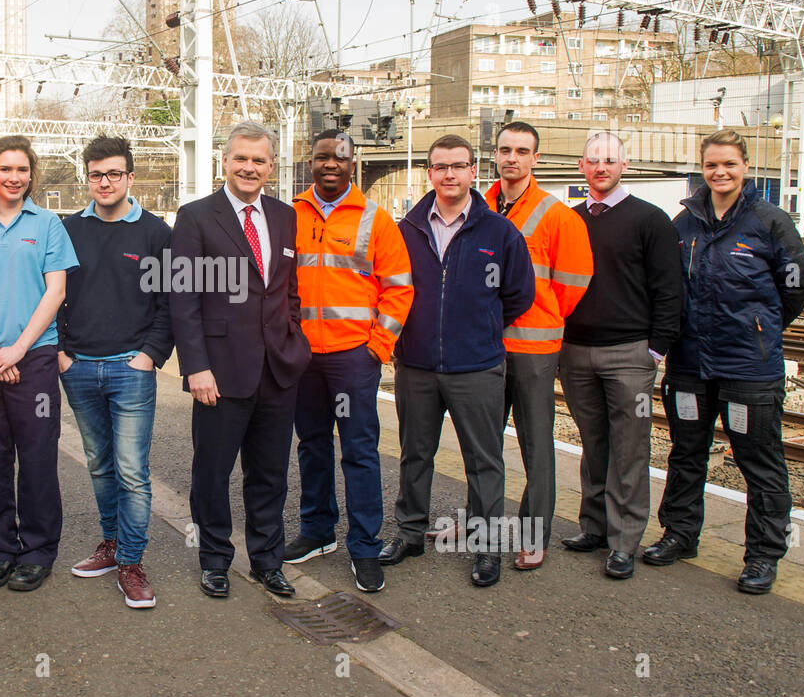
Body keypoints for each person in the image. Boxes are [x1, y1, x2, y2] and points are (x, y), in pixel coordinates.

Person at [647, 129, 804, 594]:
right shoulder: (684, 225)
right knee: (686, 454)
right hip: (690, 365)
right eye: (712, 165)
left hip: (749, 370)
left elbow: (797, 285)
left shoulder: (769, 222)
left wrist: (763, 327)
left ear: (744, 166)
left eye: (729, 164)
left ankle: (762, 554)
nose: (720, 173)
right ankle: (679, 533)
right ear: (703, 169)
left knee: (759, 462)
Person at [383, 133, 534, 587]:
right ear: (429, 173)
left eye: (458, 166)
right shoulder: (406, 229)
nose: (449, 174)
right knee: (415, 454)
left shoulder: (499, 232)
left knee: (483, 460)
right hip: (418, 365)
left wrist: (477, 329)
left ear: (474, 171)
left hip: (478, 367)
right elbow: (388, 289)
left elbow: (518, 294)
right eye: (440, 166)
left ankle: (487, 548)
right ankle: (410, 532)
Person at [171, 120, 312, 599]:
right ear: (224, 161)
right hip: (220, 372)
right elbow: (184, 298)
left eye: (259, 160)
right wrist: (196, 367)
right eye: (241, 158)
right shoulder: (195, 217)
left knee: (270, 474)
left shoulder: (285, 216)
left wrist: (293, 341)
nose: (249, 167)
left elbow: (287, 290)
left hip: (278, 370)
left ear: (271, 167)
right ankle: (215, 560)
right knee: (212, 472)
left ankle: (268, 562)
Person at [285, 129, 413, 593]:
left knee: (359, 452)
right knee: (312, 445)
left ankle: (363, 546)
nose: (330, 165)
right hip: (303, 358)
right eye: (322, 157)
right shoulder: (290, 215)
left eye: (340, 158)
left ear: (352, 164)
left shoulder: (377, 220)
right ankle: (318, 531)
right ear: (311, 162)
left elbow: (400, 289)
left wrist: (377, 348)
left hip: (353, 358)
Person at [559, 131, 683, 580]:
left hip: (629, 353)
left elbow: (670, 288)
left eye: (609, 160)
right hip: (574, 351)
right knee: (593, 443)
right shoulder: (570, 219)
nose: (601, 168)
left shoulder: (651, 220)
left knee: (629, 448)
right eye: (593, 160)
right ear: (581, 166)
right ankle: (593, 526)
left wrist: (655, 348)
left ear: (624, 165)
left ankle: (624, 540)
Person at [0, 135, 78, 594]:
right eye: (6, 169)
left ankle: (36, 552)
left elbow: (56, 292)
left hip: (35, 360)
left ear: (31, 175)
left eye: (22, 170)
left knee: (37, 458)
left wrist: (17, 351)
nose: (14, 178)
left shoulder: (47, 224)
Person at [58, 136, 172, 609]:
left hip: (131, 369)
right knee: (100, 465)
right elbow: (51, 293)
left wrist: (149, 355)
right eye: (96, 174)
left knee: (131, 471)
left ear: (129, 177)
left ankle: (131, 562)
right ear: (88, 177)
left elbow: (172, 301)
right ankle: (110, 544)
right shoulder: (66, 229)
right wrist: (61, 354)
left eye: (114, 174)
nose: (104, 182)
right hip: (78, 366)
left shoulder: (155, 233)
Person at [480, 121, 593, 570]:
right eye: (505, 150)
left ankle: (533, 534)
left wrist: (541, 314)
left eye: (522, 151)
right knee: (482, 443)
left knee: (535, 445)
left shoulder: (556, 215)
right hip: (486, 347)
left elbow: (573, 281)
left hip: (533, 349)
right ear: (494, 154)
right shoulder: (478, 205)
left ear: (535, 159)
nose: (512, 158)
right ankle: (479, 524)